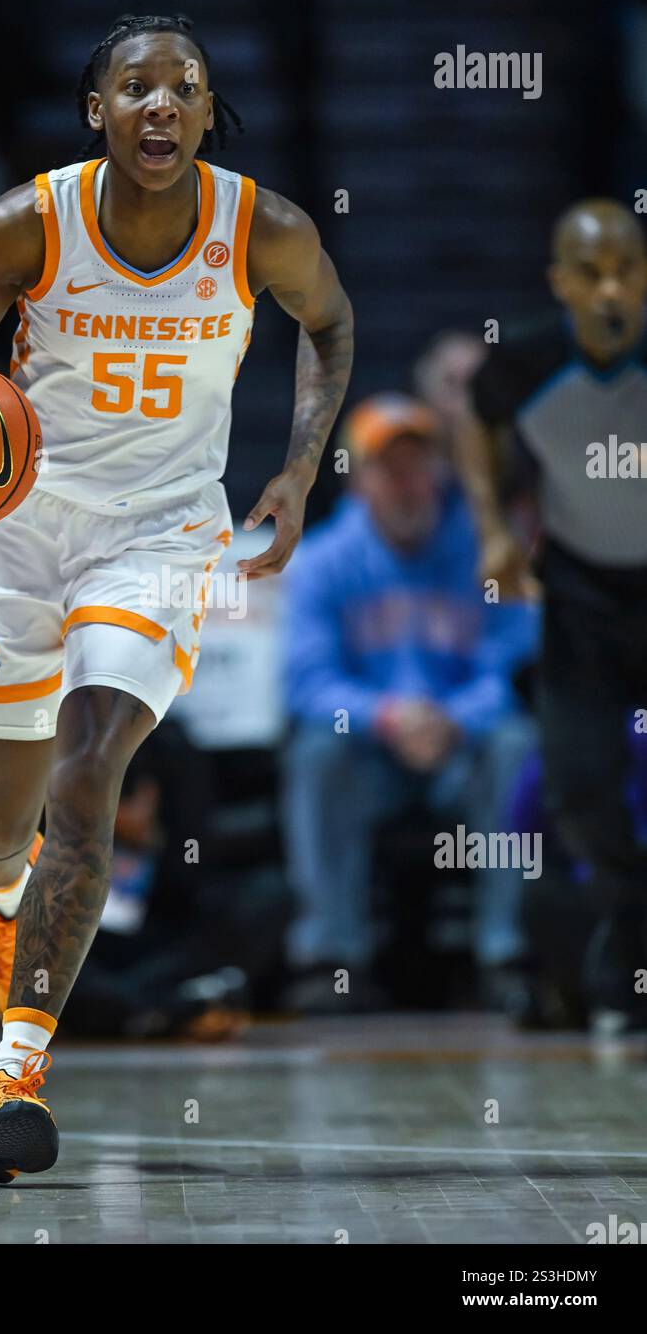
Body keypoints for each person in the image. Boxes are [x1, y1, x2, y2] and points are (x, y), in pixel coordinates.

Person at [0, 12, 354, 1184]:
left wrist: (296, 460)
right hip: (17, 522)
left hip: (162, 530)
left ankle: (13, 1075)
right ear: (100, 110)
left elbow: (328, 325)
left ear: (206, 110)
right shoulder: (30, 220)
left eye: (185, 86)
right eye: (138, 86)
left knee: (92, 762)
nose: (162, 103)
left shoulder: (260, 228)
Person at [281, 395, 538, 1012]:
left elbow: (516, 666)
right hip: (372, 754)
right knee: (317, 754)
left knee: (517, 744)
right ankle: (330, 957)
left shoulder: (486, 553)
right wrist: (388, 716)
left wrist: (454, 719)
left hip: (462, 751)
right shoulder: (321, 560)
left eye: (418, 465)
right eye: (387, 468)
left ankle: (504, 954)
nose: (405, 482)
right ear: (359, 477)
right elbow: (307, 682)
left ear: (440, 472)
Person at [457, 197, 647, 1026]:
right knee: (574, 786)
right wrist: (494, 526)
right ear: (558, 282)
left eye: (627, 271)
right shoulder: (525, 362)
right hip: (578, 595)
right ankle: (630, 927)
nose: (610, 290)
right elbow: (475, 417)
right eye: (591, 273)